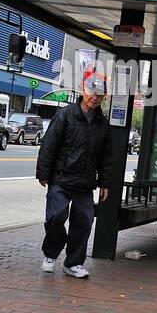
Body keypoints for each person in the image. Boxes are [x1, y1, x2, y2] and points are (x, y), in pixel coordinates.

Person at [36, 76, 113, 279]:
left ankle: (73, 263)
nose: (95, 97)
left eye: (100, 94)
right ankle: (51, 254)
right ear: (83, 90)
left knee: (84, 221)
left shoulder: (102, 124)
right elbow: (49, 144)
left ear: (104, 96)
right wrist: (43, 172)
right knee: (56, 216)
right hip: (61, 178)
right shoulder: (66, 114)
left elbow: (106, 156)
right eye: (92, 92)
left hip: (85, 182)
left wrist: (106, 182)